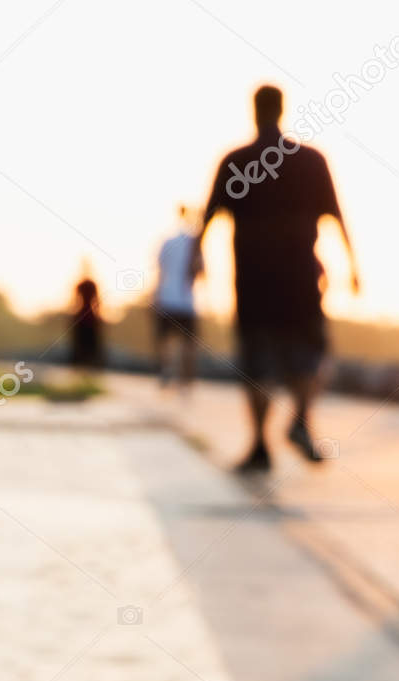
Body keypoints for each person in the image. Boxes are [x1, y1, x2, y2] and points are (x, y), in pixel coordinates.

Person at [195, 85, 360, 473]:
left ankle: (259, 446)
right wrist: (354, 267)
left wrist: (194, 261)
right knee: (310, 355)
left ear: (255, 112)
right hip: (300, 279)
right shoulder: (311, 161)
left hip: (252, 281)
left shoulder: (236, 160)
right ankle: (300, 420)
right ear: (282, 110)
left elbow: (207, 219)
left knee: (256, 364)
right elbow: (337, 215)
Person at [154, 205, 203, 394]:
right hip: (186, 301)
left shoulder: (167, 242)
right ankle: (186, 379)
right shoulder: (194, 244)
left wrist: (156, 295)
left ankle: (166, 371)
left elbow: (160, 270)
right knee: (188, 342)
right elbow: (200, 271)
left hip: (167, 297)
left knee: (165, 339)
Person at [69, 275, 102, 372]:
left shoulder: (89, 285)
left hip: (88, 320)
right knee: (83, 348)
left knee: (88, 348)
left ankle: (88, 363)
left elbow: (97, 303)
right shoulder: (85, 285)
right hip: (84, 320)